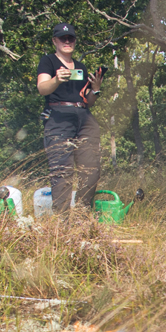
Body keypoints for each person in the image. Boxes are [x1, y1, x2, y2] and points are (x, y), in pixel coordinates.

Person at [36, 22, 103, 213]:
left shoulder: (81, 67)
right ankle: (63, 222)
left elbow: (88, 101)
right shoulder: (48, 61)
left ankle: (82, 214)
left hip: (84, 116)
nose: (67, 41)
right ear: (54, 41)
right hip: (58, 117)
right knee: (61, 171)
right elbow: (42, 88)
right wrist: (56, 79)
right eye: (63, 38)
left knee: (91, 170)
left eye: (70, 38)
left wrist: (96, 89)